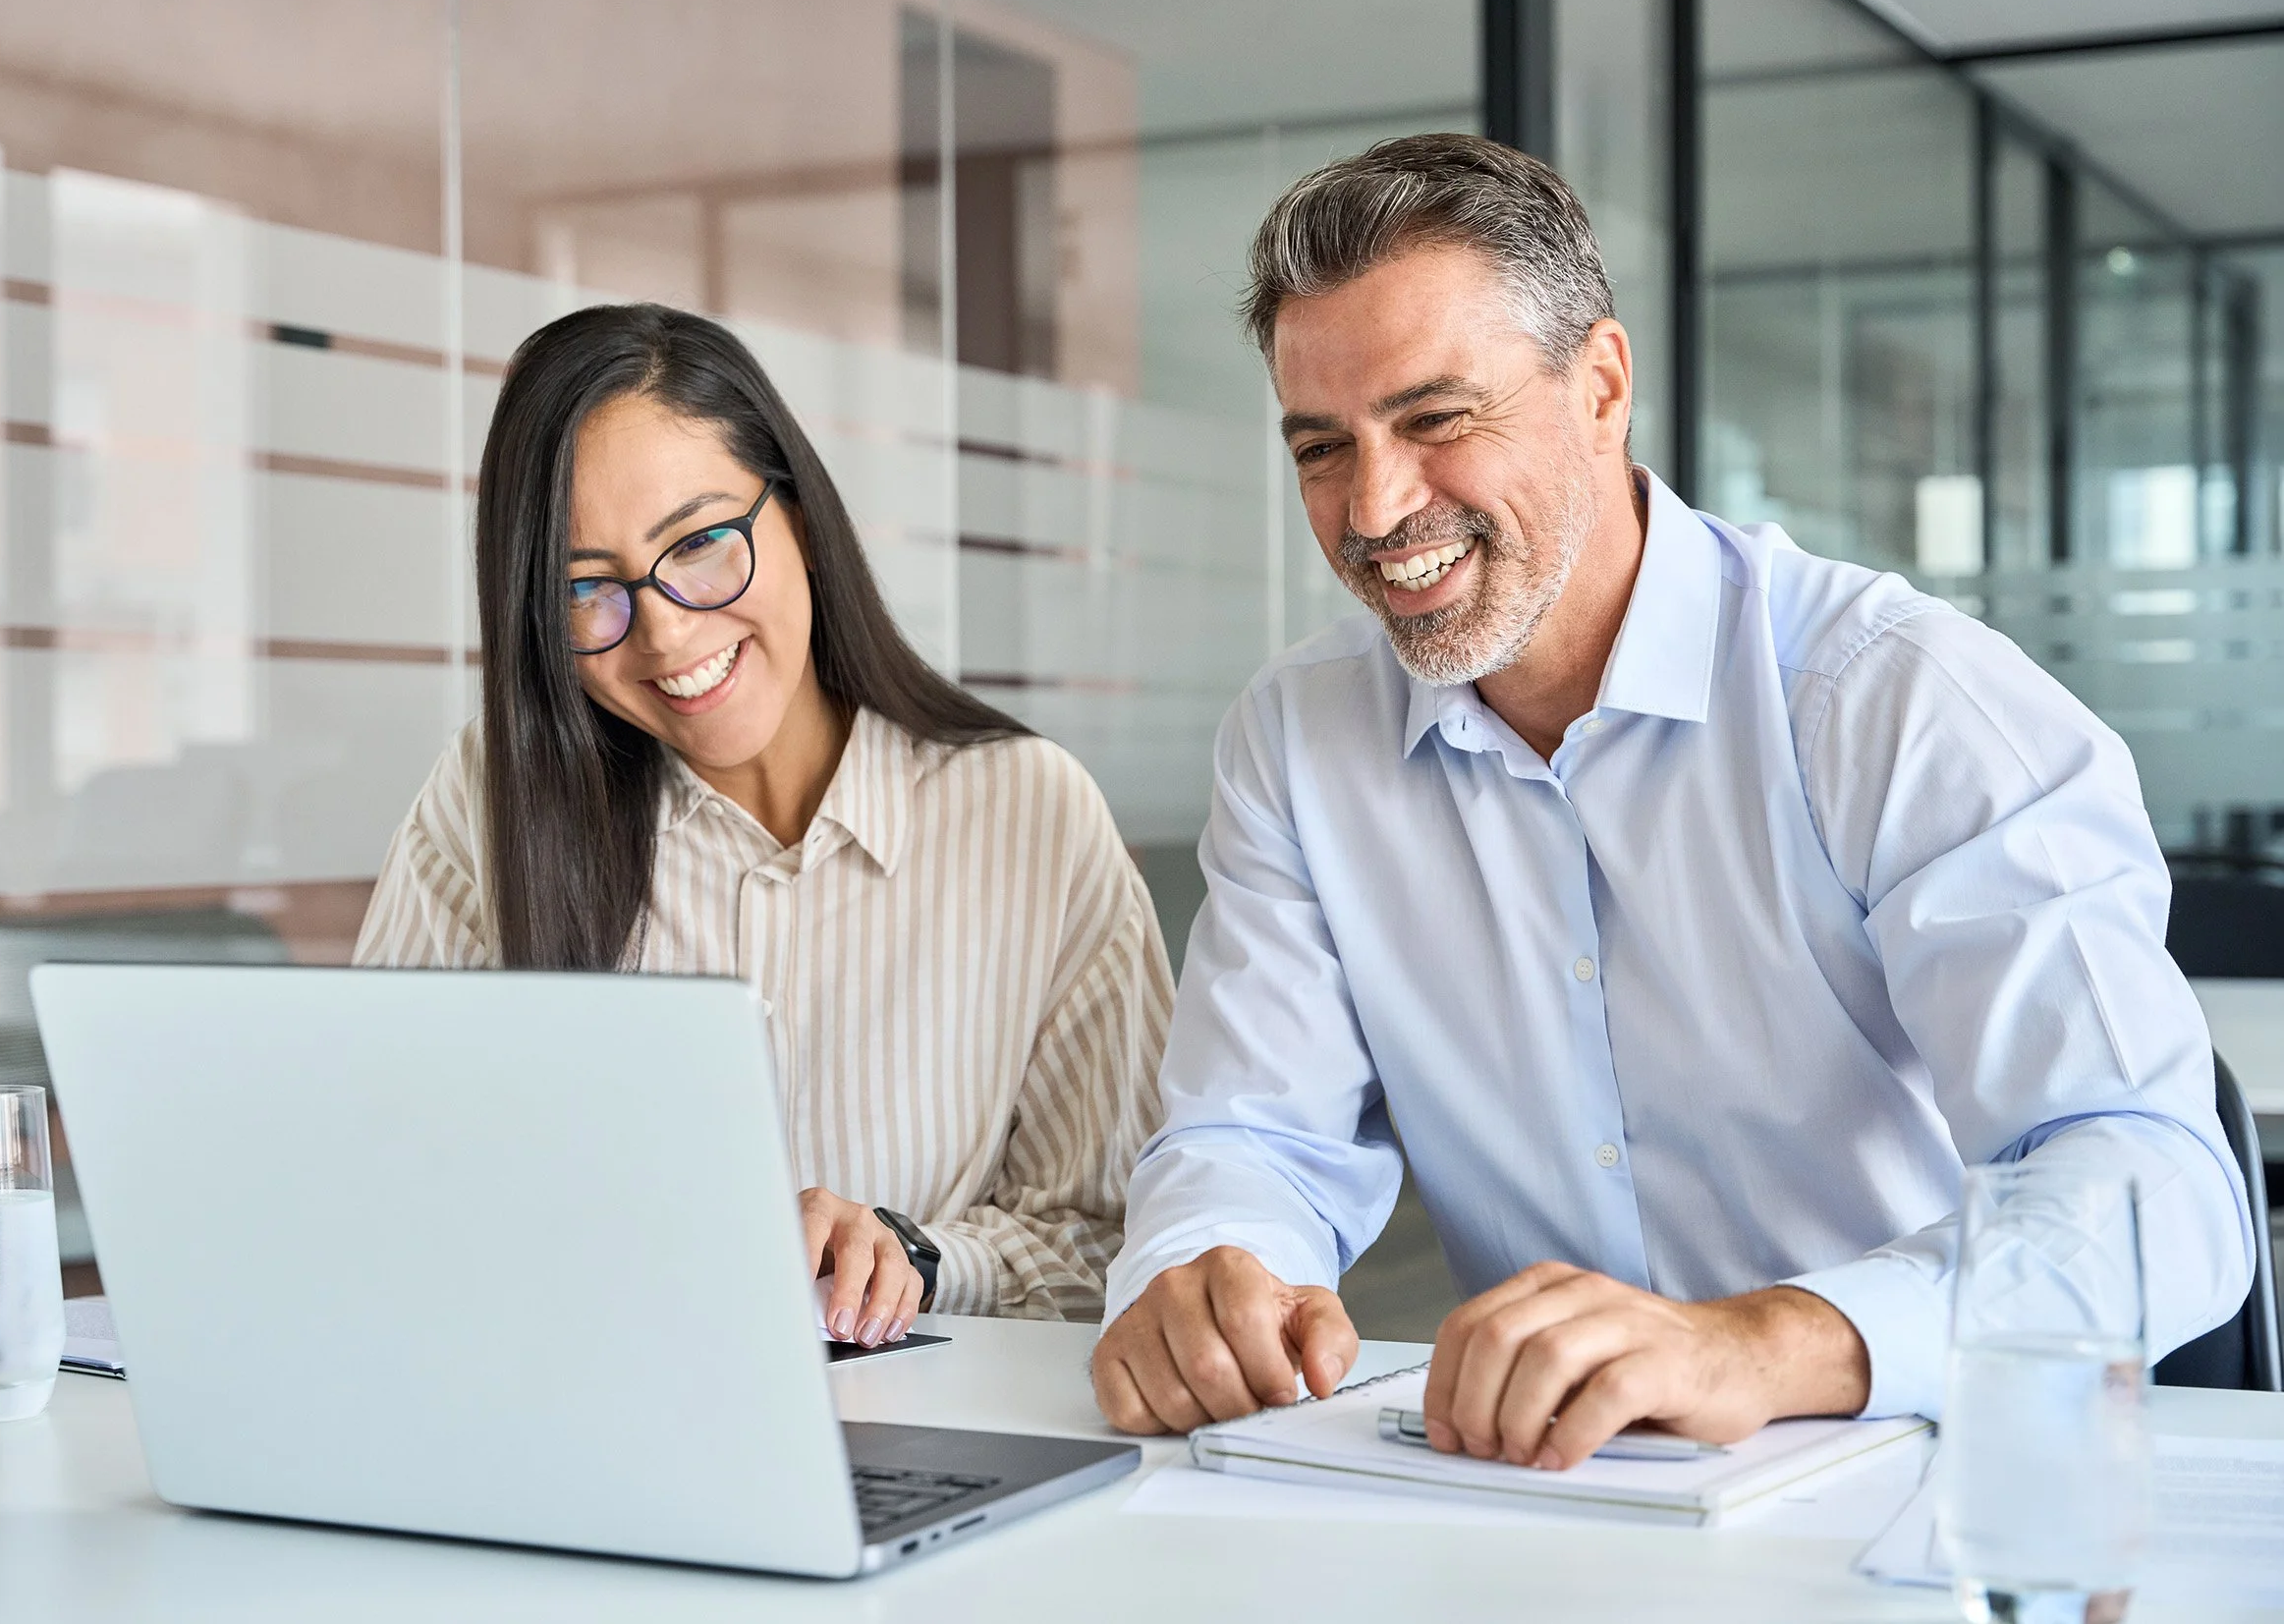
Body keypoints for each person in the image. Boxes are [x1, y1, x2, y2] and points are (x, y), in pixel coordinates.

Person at [1090, 135, 2252, 1465]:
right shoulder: (1297, 742)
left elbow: (2157, 1190)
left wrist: (1760, 1343)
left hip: (1934, 1472)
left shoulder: (1896, 699)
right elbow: (1254, 1135)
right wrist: (1206, 1274)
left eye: (1434, 420)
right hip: (1555, 1494)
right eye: (1320, 447)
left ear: (1600, 388)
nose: (1376, 506)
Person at [357, 305, 1170, 1345]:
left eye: (698, 542)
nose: (664, 630)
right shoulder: (488, 803)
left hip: (919, 1433)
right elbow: (386, 1192)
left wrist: (911, 1257)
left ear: (801, 520)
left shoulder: (1029, 814)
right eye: (584, 589)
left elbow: (1116, 1249)